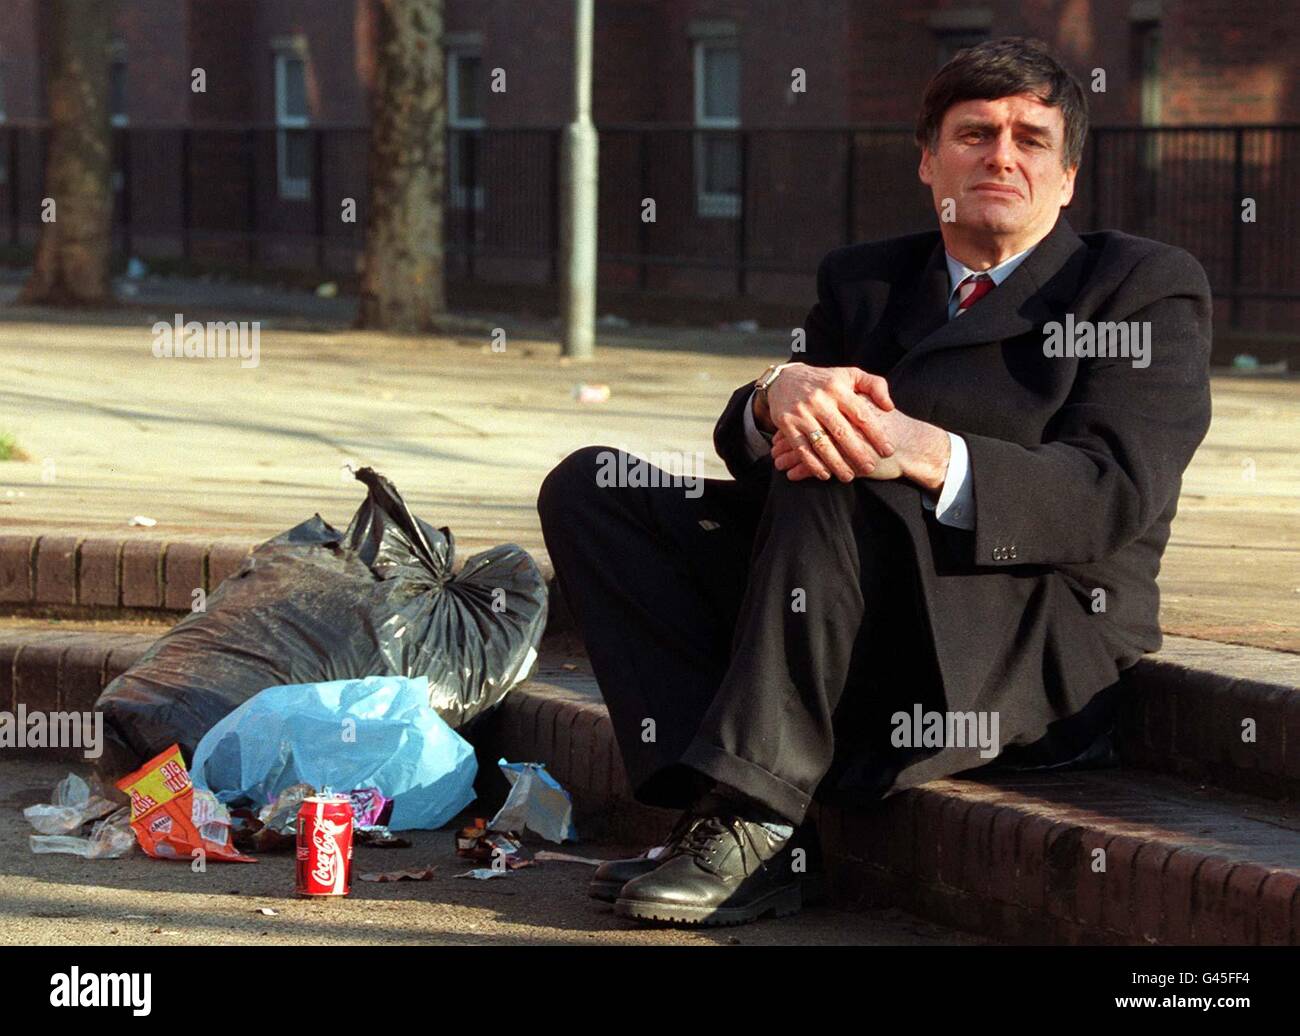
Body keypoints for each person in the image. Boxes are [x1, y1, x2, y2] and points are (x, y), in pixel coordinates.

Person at [536, 36, 1212, 928]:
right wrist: (774, 398)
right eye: (973, 134)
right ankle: (716, 796)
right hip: (845, 611)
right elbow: (765, 457)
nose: (1001, 156)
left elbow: (1109, 494)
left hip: (1022, 635)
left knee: (842, 472)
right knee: (595, 489)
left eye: (1029, 139)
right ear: (930, 160)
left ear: (1068, 175)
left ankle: (758, 820)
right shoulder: (867, 280)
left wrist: (921, 450)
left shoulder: (1136, 288)